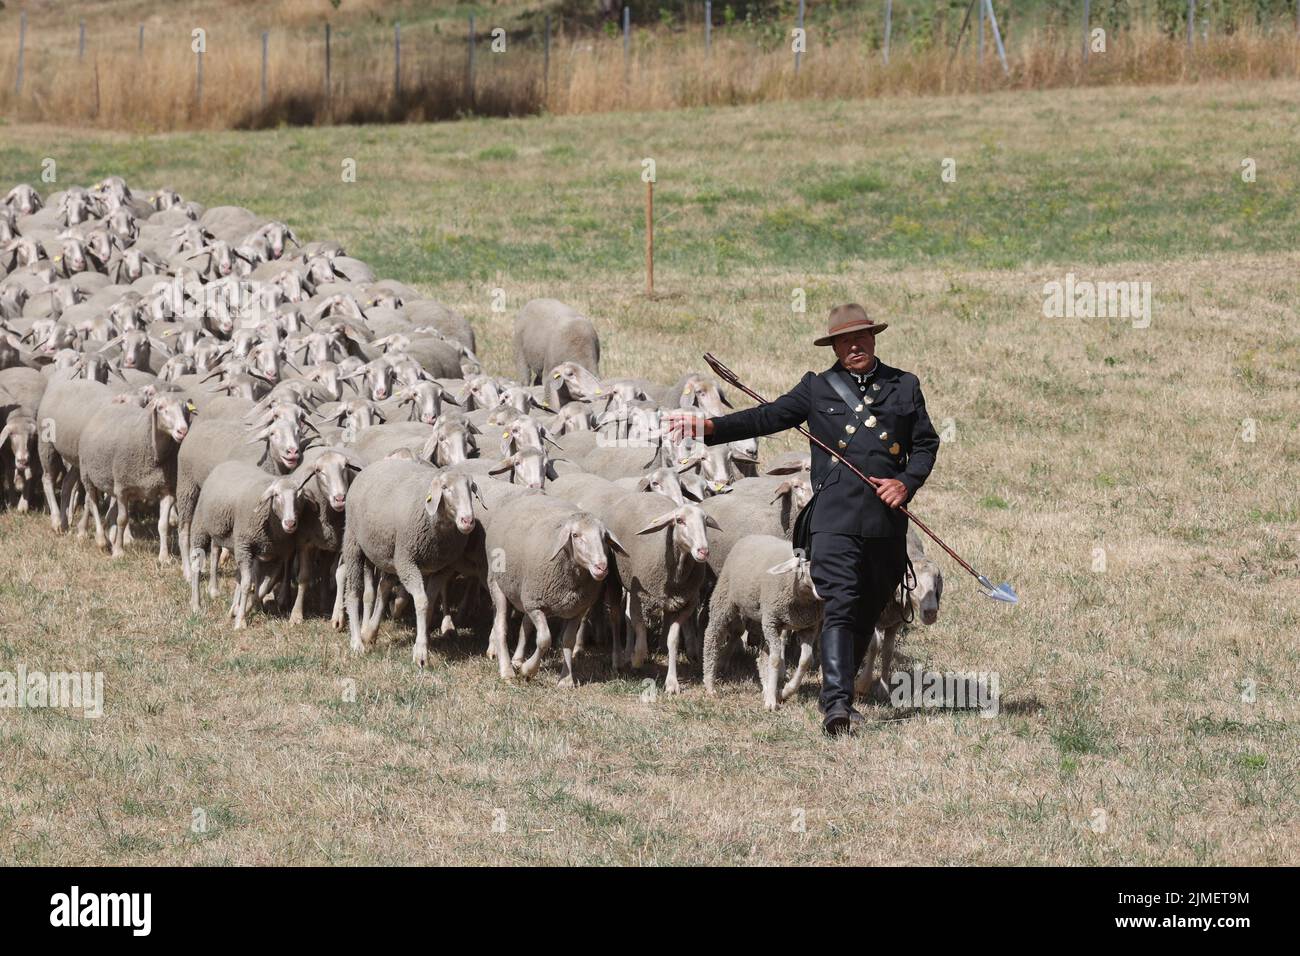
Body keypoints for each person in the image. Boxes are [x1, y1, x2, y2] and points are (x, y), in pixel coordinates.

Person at [663, 303, 940, 735]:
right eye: (845, 340)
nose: (854, 345)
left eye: (861, 337)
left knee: (867, 610)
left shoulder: (903, 386)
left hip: (886, 523)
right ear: (834, 346)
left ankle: (841, 691)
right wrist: (709, 428)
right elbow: (767, 416)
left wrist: (906, 482)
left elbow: (925, 444)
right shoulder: (818, 388)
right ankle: (836, 706)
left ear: (874, 338)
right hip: (833, 520)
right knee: (842, 602)